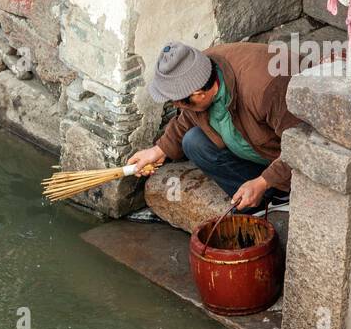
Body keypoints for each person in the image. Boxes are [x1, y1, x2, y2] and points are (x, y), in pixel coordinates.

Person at [126, 41, 301, 211]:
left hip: (292, 153)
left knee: (291, 160)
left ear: (199, 95)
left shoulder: (265, 89)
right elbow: (188, 115)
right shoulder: (201, 72)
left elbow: (299, 146)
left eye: (177, 103)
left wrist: (263, 181)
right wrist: (158, 151)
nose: (176, 107)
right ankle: (263, 196)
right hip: (258, 149)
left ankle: (280, 188)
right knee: (194, 142)